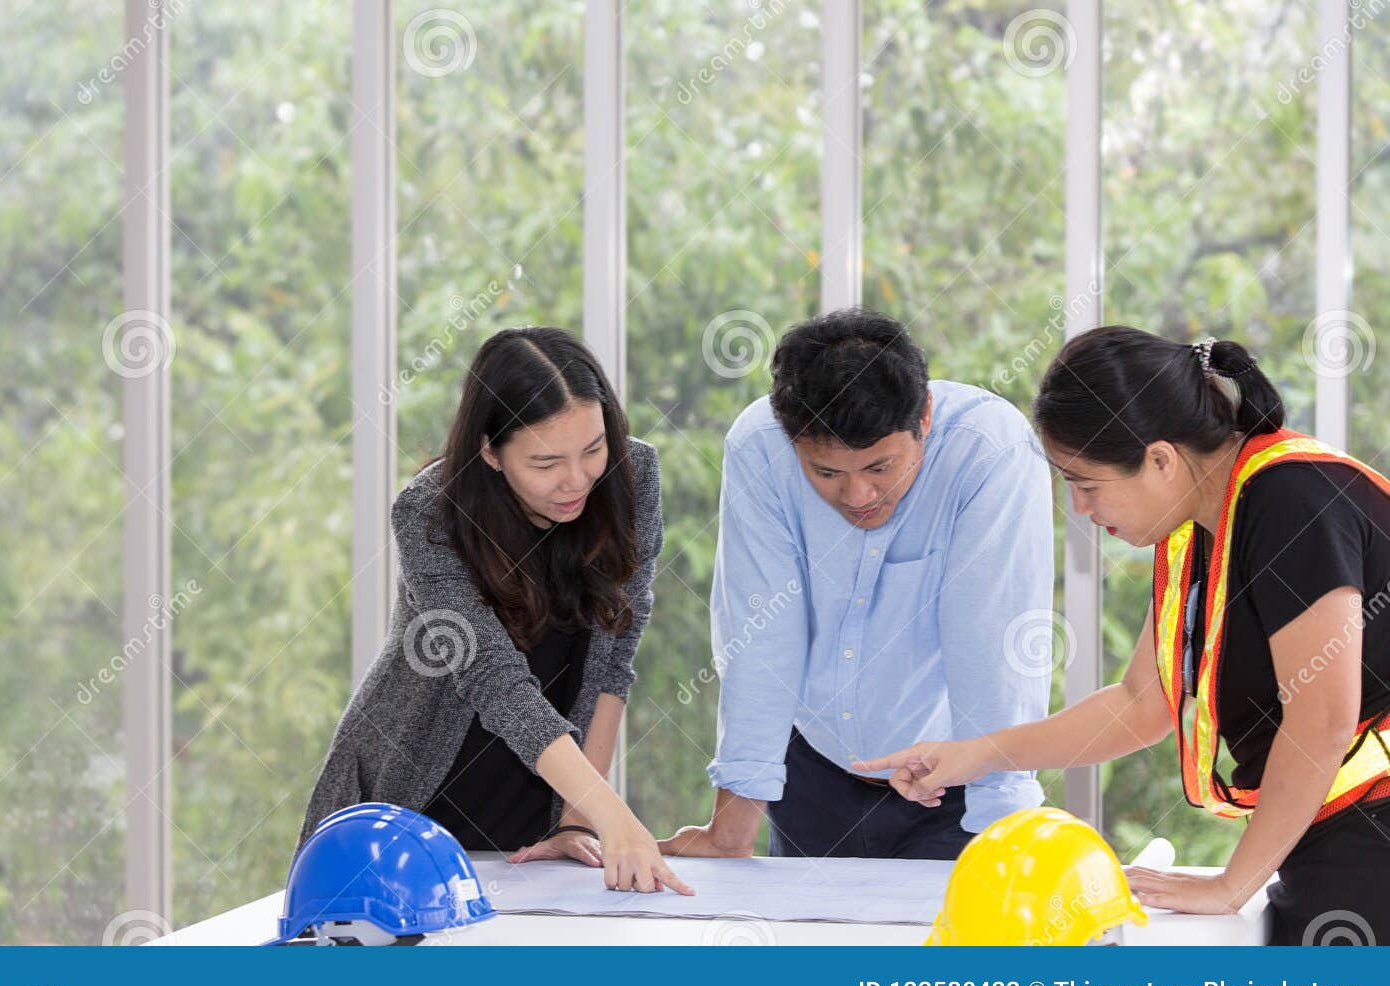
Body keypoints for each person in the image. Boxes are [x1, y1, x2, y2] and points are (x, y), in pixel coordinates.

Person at [855, 326, 1390, 945]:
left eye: (1085, 484)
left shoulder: (1288, 499)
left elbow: (1322, 719)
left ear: (1160, 459)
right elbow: (1143, 703)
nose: (1080, 510)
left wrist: (1230, 884)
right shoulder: (1202, 523)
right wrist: (972, 755)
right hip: (1343, 828)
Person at [296, 326, 692, 896]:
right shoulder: (431, 513)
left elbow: (612, 661)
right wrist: (614, 816)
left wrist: (578, 819)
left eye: (593, 448)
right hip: (411, 801)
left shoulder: (634, 478)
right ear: (490, 450)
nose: (577, 479)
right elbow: (495, 681)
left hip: (542, 794)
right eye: (546, 461)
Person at [659, 307, 1052, 862]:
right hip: (811, 773)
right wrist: (730, 831)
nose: (858, 497)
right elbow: (760, 634)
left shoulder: (988, 451)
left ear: (926, 417)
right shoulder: (760, 447)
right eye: (826, 473)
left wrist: (1003, 835)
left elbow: (991, 648)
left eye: (879, 468)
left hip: (959, 787)